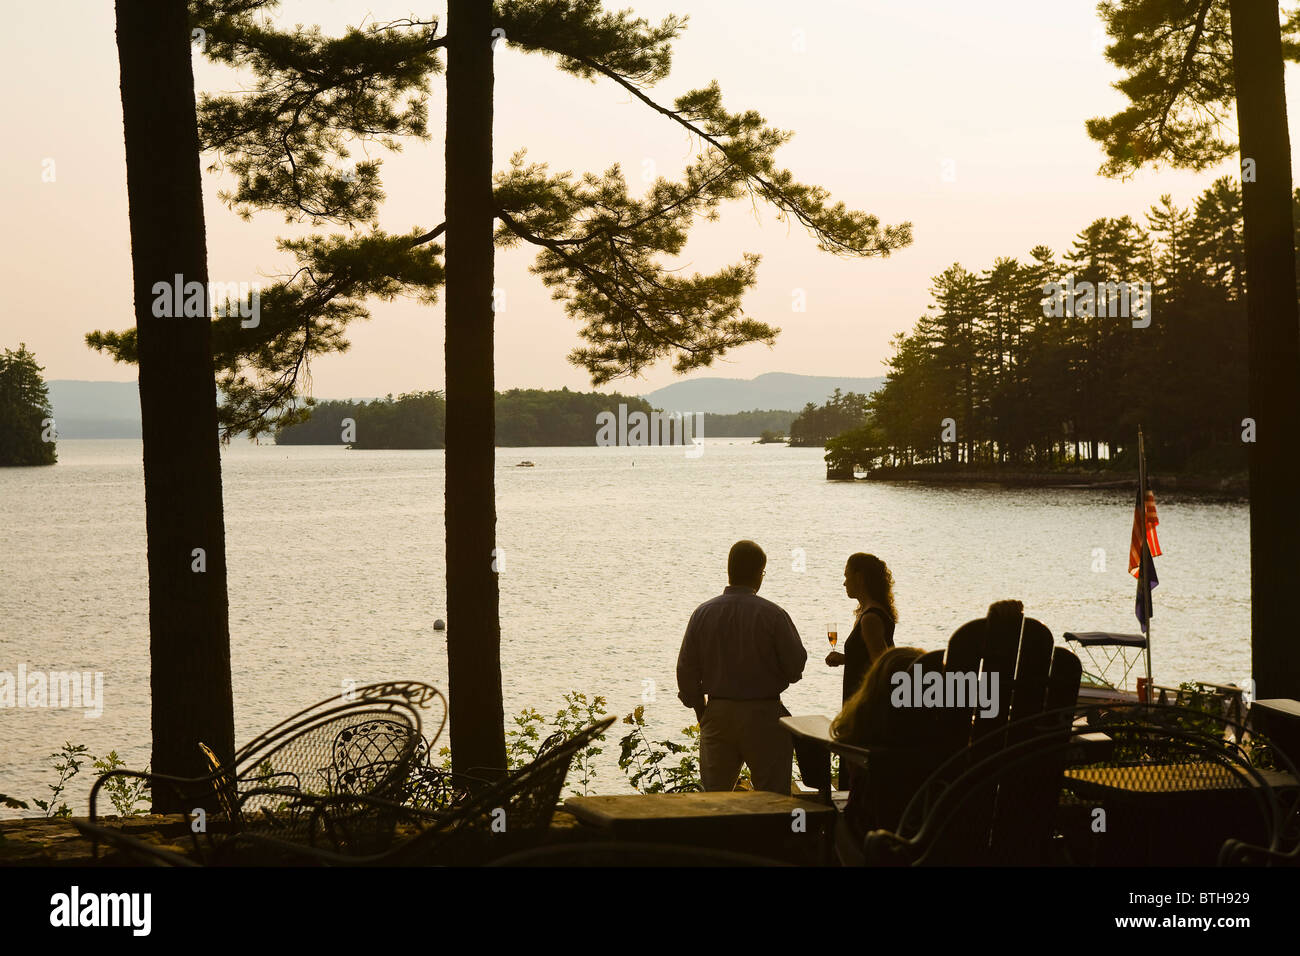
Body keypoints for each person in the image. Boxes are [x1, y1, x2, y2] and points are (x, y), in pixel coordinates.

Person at [676, 540, 808, 794]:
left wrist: (701, 711)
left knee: (715, 799)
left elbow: (686, 671)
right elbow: (795, 668)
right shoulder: (773, 615)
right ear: (759, 574)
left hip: (718, 712)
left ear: (730, 570)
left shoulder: (702, 613)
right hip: (764, 713)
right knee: (773, 798)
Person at [826, 553, 897, 703]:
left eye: (846, 576)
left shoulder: (870, 618)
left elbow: (881, 665)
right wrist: (845, 659)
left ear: (859, 578)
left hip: (865, 705)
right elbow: (868, 658)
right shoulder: (868, 612)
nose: (844, 583)